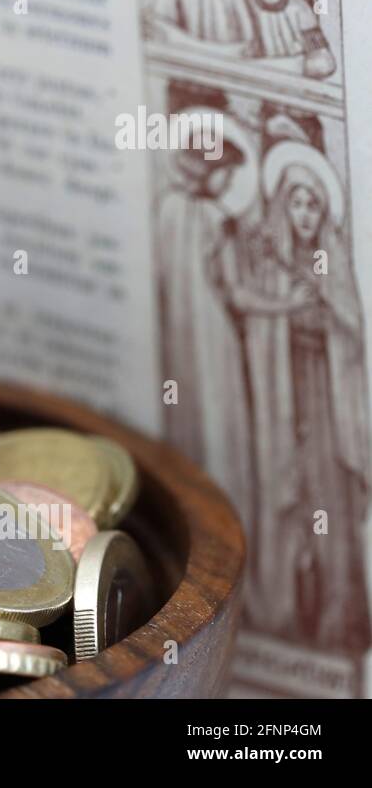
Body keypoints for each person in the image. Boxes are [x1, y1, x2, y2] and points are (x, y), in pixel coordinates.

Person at [221, 142, 369, 650]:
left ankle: (339, 615)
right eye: (298, 204)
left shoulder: (332, 260)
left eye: (314, 205)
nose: (306, 215)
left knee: (330, 500)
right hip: (282, 396)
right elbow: (246, 306)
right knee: (288, 496)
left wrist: (321, 304)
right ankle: (284, 610)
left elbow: (352, 329)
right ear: (283, 204)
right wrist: (286, 303)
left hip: (326, 399)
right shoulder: (269, 257)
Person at [155, 119, 257, 504]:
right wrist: (291, 301)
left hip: (179, 334)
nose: (230, 182)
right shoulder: (217, 220)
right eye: (226, 172)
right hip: (215, 339)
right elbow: (238, 294)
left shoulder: (165, 208)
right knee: (220, 418)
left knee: (188, 418)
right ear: (207, 170)